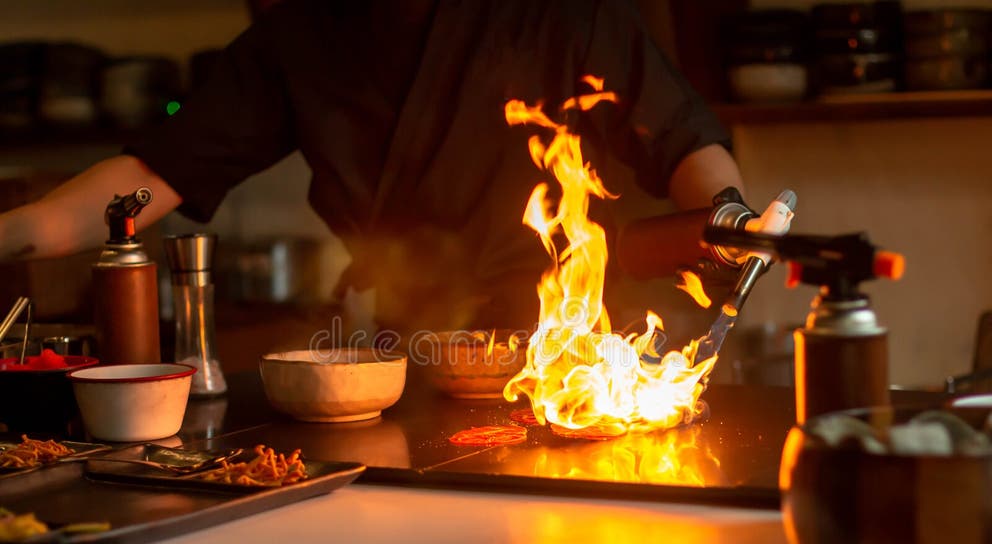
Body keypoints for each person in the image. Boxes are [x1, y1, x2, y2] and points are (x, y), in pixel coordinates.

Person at [0, 0, 744, 334]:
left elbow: (680, 138)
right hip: (404, 361)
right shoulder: (299, 39)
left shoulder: (558, 12)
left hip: (570, 352)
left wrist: (735, 223)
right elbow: (146, 177)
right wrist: (16, 231)